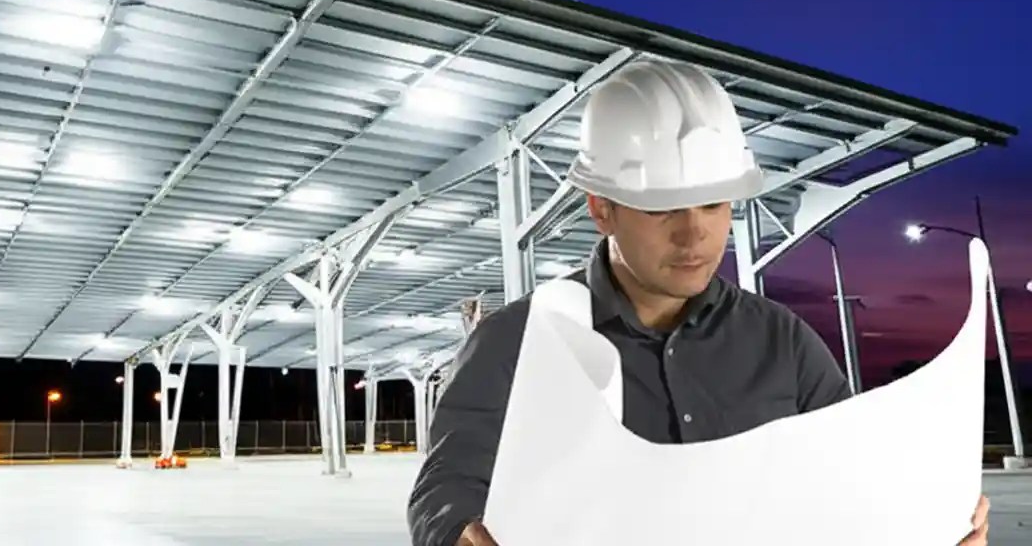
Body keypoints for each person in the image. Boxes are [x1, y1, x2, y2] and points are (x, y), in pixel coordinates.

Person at [405, 58, 990, 546]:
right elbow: (445, 488)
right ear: (602, 208)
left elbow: (853, 477)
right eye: (663, 208)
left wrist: (929, 519)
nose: (695, 235)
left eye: (714, 204)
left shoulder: (781, 342)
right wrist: (458, 532)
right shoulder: (518, 342)